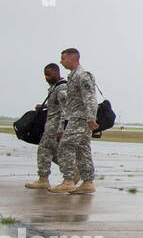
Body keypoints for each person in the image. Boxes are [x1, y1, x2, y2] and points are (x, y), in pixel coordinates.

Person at [49, 48, 98, 194]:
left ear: (72, 59)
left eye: (63, 59)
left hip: (80, 118)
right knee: (83, 149)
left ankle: (68, 181)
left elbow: (90, 98)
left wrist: (91, 118)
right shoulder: (73, 76)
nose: (61, 62)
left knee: (65, 145)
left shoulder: (82, 75)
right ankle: (88, 182)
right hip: (76, 117)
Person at [25, 63, 68, 190]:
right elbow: (56, 105)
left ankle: (47, 178)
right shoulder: (55, 87)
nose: (46, 78)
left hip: (55, 127)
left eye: (49, 75)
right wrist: (44, 106)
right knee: (48, 151)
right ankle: (46, 178)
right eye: (45, 75)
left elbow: (65, 110)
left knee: (46, 150)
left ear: (56, 73)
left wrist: (61, 129)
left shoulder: (61, 88)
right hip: (50, 126)